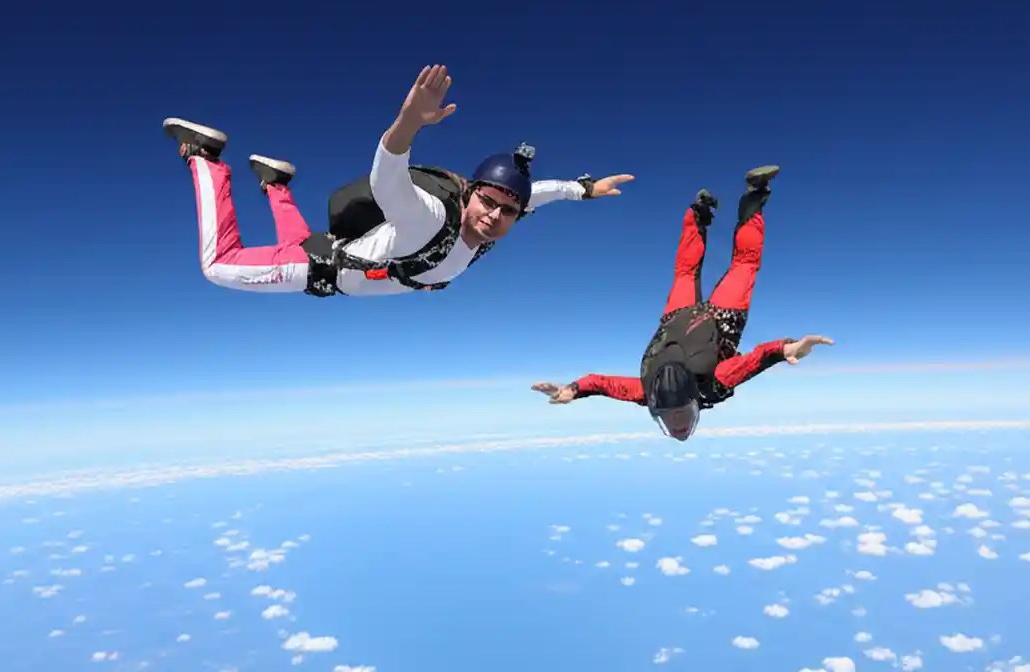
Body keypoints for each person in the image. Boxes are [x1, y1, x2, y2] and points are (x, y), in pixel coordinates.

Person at [164, 64, 635, 297]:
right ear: (470, 193)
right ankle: (206, 159)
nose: (495, 215)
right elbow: (388, 177)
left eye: (508, 211)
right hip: (317, 270)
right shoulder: (426, 219)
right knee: (218, 266)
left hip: (328, 252)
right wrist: (409, 122)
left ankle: (275, 183)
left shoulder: (496, 220)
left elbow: (540, 194)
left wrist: (584, 190)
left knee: (298, 241)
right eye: (489, 202)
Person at [530, 165, 833, 441]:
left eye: (672, 418)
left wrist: (787, 349)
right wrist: (573, 390)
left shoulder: (710, 386)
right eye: (681, 418)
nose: (679, 424)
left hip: (719, 320)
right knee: (690, 271)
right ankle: (699, 211)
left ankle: (751, 196)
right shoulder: (648, 391)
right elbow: (601, 383)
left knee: (744, 264)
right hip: (678, 317)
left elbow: (757, 359)